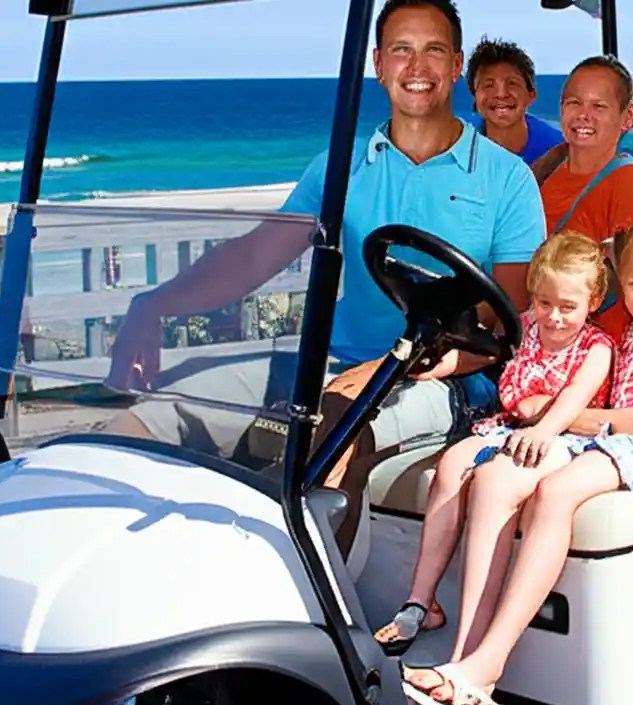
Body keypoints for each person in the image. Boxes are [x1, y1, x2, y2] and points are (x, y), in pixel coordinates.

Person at [101, 0, 547, 556]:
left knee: (337, 426)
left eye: (433, 50)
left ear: (456, 65)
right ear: (379, 64)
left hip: (449, 381)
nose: (417, 65)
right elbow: (249, 258)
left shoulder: (507, 180)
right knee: (160, 411)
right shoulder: (340, 167)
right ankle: (107, 566)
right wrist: (153, 305)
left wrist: (392, 367)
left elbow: (504, 317)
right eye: (402, 50)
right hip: (332, 363)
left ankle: (311, 616)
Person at [400, 130, 633, 705]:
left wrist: (576, 417)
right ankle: (463, 663)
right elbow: (557, 333)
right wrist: (467, 357)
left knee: (556, 490)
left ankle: (485, 666)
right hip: (594, 431)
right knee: (490, 478)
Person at [372, 231, 614, 655]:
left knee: (490, 484)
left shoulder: (596, 348)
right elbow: (492, 352)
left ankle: (470, 647)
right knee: (450, 466)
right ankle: (420, 600)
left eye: (567, 307)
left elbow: (574, 399)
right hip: (508, 427)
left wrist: (542, 429)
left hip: (562, 437)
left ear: (593, 303)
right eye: (544, 304)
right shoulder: (530, 327)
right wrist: (441, 364)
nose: (554, 317)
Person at [533, 55, 633, 341]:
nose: (584, 115)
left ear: (628, 117)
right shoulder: (548, 168)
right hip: (533, 327)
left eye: (599, 106)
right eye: (574, 103)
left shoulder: (627, 181)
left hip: (582, 343)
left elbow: (629, 282)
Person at [464, 36, 564, 166]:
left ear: (531, 95)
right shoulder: (459, 147)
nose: (501, 94)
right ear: (475, 97)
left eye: (512, 83)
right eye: (488, 85)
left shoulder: (560, 149)